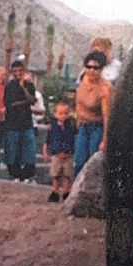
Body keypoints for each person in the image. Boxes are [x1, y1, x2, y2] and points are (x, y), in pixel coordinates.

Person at [74, 50, 111, 178]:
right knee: (79, 160)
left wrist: (104, 140)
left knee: (92, 160)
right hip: (83, 125)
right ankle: (78, 187)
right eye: (88, 67)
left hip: (97, 127)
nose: (91, 70)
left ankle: (92, 188)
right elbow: (78, 103)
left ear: (101, 69)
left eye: (96, 68)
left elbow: (106, 115)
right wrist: (78, 121)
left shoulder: (104, 88)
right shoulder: (83, 80)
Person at [3, 59, 37, 182]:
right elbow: (10, 104)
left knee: (28, 150)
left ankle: (28, 174)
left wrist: (23, 87)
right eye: (15, 71)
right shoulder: (9, 86)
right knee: (12, 150)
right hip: (12, 123)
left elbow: (32, 100)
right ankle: (14, 173)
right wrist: (24, 102)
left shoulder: (29, 85)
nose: (17, 73)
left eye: (20, 71)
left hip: (26, 123)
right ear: (12, 72)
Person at [43, 98, 76, 201]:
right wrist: (45, 152)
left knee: (67, 175)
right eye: (60, 113)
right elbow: (47, 140)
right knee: (55, 174)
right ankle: (55, 191)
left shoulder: (71, 125)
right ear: (55, 114)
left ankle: (66, 191)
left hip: (68, 154)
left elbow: (74, 138)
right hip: (56, 154)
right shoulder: (52, 126)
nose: (63, 116)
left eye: (66, 113)